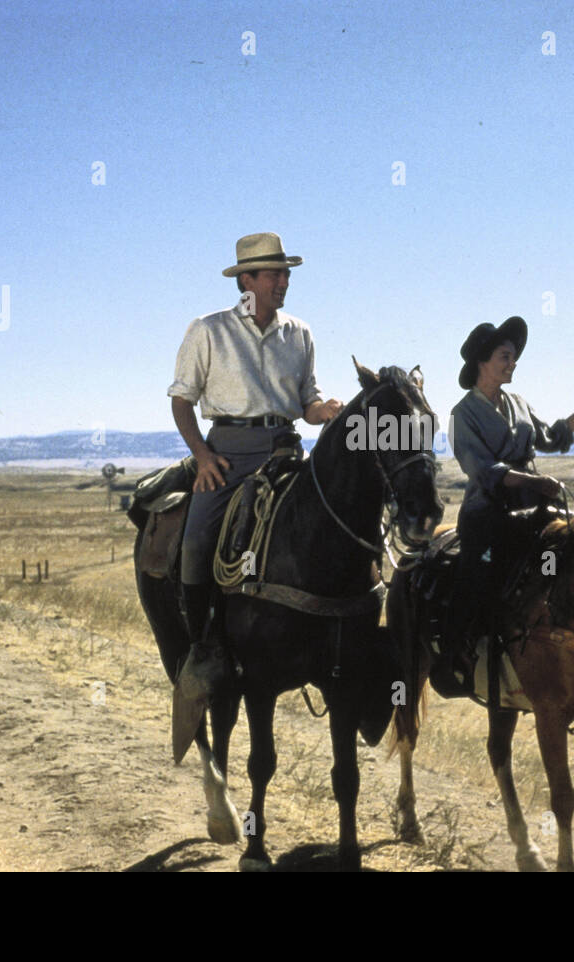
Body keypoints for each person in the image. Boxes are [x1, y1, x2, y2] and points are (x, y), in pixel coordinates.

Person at [166, 232, 342, 747]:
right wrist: (202, 456)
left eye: (286, 274)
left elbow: (306, 402)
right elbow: (181, 400)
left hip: (288, 450)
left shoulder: (300, 334)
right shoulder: (208, 330)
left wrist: (324, 411)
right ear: (247, 281)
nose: (283, 282)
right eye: (274, 274)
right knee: (197, 540)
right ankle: (202, 646)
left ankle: (330, 643)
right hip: (228, 452)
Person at [445, 316, 574, 688]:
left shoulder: (518, 403)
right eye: (505, 356)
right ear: (482, 362)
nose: (512, 363)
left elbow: (552, 437)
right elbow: (486, 472)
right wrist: (535, 482)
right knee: (479, 571)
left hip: (532, 506)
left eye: (514, 357)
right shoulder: (461, 415)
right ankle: (461, 647)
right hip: (487, 513)